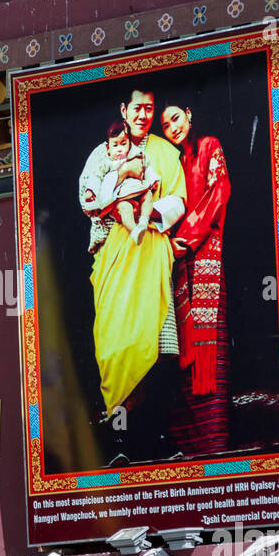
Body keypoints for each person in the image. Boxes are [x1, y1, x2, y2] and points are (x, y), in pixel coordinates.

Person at [77, 89, 186, 425]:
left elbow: (179, 200)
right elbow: (88, 197)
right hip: (115, 260)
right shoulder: (103, 152)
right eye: (137, 108)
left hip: (151, 255)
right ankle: (122, 440)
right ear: (124, 109)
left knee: (157, 350)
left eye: (149, 109)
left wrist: (147, 216)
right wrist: (122, 185)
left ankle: (156, 437)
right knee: (116, 345)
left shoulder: (166, 152)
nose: (143, 115)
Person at [160, 104, 231, 455]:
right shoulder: (170, 166)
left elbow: (219, 193)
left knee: (210, 348)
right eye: (165, 124)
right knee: (181, 347)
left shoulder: (208, 147)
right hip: (178, 264)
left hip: (205, 256)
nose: (172, 126)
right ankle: (190, 449)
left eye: (175, 117)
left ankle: (214, 446)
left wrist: (186, 238)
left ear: (190, 114)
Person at [80, 121, 161, 249]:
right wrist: (91, 191)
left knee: (148, 196)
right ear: (108, 148)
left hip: (138, 189)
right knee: (125, 209)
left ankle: (144, 222)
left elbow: (147, 168)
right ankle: (134, 231)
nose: (119, 149)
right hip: (121, 196)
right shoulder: (107, 162)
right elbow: (96, 176)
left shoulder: (137, 155)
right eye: (115, 145)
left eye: (123, 144)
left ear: (129, 143)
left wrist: (153, 180)